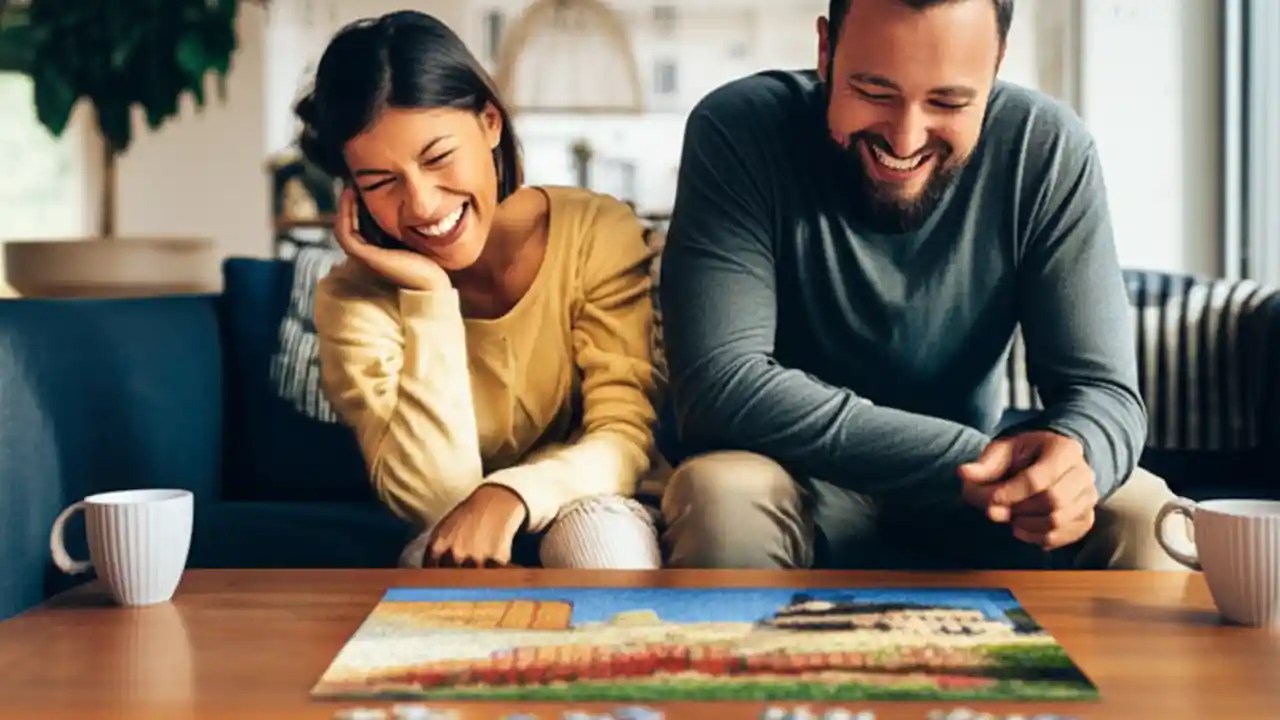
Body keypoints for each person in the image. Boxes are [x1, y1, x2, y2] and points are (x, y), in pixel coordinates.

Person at [658, 0, 1184, 570]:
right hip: (793, 472)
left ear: (996, 65)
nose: (905, 140)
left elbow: (1104, 393)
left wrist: (1079, 461)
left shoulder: (1047, 148)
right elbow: (721, 386)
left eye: (948, 101)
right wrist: (975, 459)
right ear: (826, 51)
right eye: (874, 92)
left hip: (983, 494)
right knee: (721, 498)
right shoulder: (740, 129)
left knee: (1146, 517)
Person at [299, 11, 665, 569]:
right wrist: (427, 294)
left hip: (587, 501)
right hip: (451, 530)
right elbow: (433, 499)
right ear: (353, 190)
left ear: (490, 122)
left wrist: (512, 493)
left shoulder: (594, 233)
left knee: (604, 543)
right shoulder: (354, 299)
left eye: (438, 157)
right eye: (380, 182)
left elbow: (622, 437)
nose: (421, 204)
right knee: (440, 567)